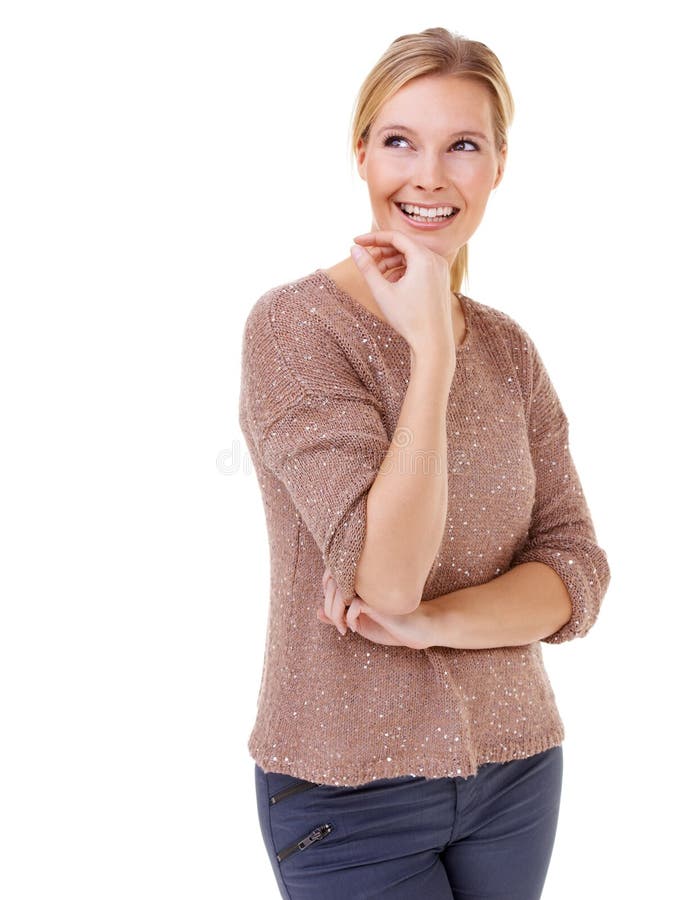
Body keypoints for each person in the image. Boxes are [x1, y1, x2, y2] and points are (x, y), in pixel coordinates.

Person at [237, 26, 611, 900]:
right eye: (400, 141)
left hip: (517, 767)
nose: (430, 175)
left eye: (463, 145)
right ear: (361, 153)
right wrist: (434, 351)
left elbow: (576, 570)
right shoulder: (295, 330)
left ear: (499, 164)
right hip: (348, 785)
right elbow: (389, 579)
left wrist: (433, 626)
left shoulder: (512, 349)